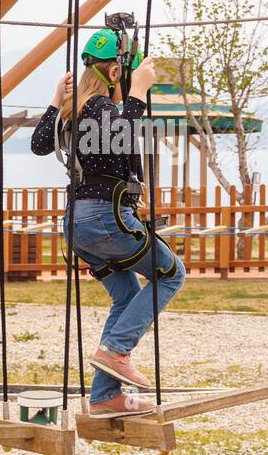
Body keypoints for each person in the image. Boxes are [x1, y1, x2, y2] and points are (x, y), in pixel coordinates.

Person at [30, 25, 185, 418]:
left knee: (126, 293)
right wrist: (139, 94)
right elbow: (121, 133)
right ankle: (116, 351)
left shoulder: (74, 111)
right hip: (105, 218)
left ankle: (104, 396)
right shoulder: (101, 108)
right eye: (127, 77)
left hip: (79, 224)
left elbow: (38, 143)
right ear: (115, 74)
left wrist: (54, 100)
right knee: (171, 274)